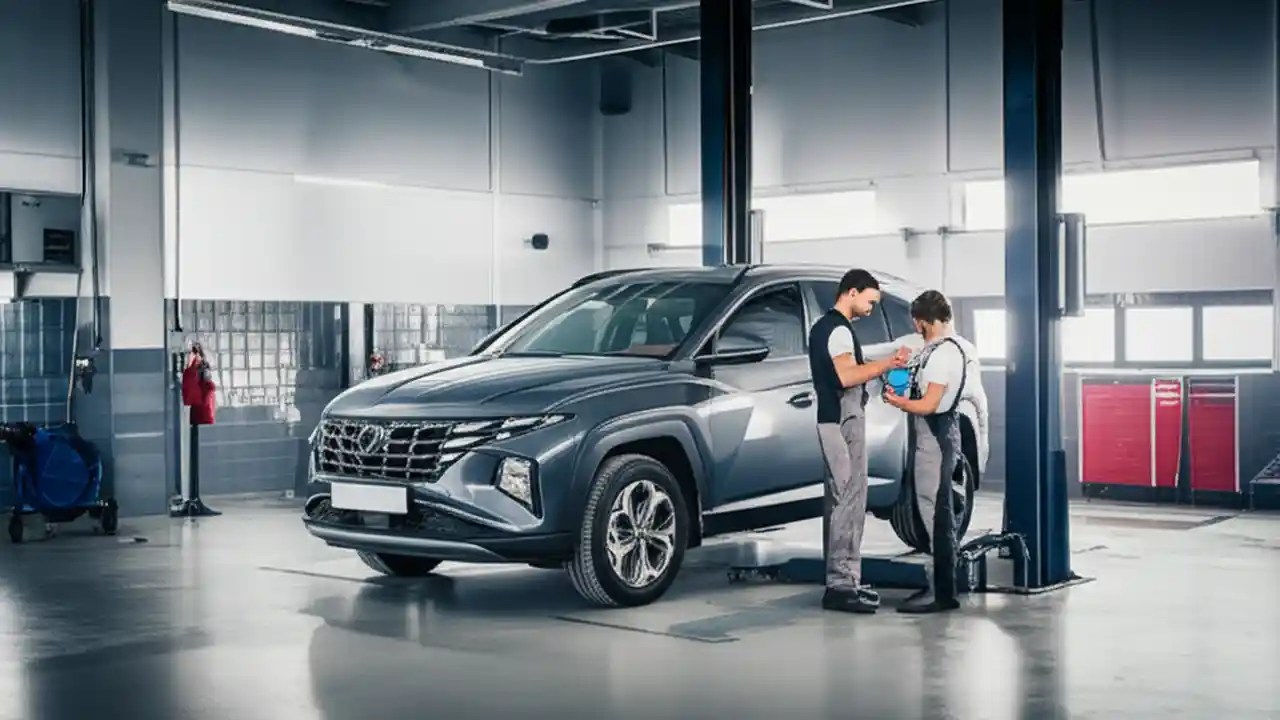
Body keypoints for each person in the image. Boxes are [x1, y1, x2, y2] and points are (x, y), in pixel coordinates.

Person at [809, 269, 910, 614]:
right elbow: (846, 375)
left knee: (843, 500)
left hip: (837, 418)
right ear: (851, 292)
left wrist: (880, 367)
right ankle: (840, 586)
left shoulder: (829, 328)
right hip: (841, 420)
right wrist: (888, 364)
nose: (871, 308)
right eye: (870, 301)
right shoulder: (837, 329)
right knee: (848, 500)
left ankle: (845, 580)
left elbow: (852, 367)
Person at [882, 290, 979, 614]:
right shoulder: (946, 349)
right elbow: (911, 382)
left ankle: (943, 594)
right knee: (937, 513)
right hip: (937, 436)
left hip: (935, 438)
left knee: (937, 516)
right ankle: (941, 589)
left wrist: (897, 402)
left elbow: (928, 404)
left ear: (922, 321)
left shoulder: (942, 355)